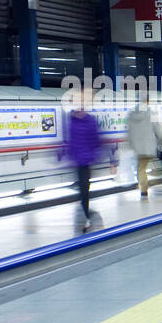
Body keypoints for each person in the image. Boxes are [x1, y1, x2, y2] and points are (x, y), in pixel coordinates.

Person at [64, 88, 103, 232]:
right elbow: (69, 140)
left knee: (84, 191)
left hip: (86, 161)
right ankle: (87, 216)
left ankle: (86, 217)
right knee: (82, 191)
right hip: (77, 160)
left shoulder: (89, 120)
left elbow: (96, 140)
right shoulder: (71, 119)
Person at [124, 86, 162, 198]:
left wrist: (130, 145)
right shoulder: (153, 113)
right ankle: (148, 188)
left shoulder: (131, 114)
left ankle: (144, 188)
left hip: (138, 148)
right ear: (148, 101)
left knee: (141, 169)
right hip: (150, 147)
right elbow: (159, 130)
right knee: (150, 166)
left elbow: (129, 131)